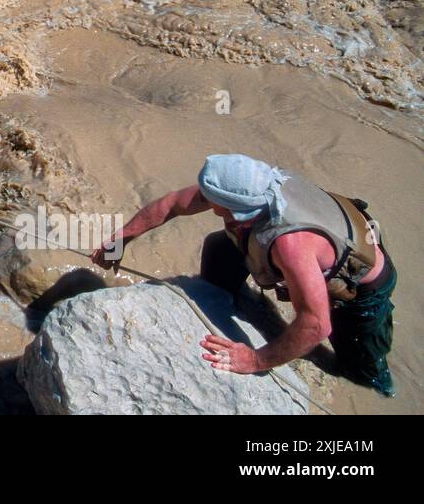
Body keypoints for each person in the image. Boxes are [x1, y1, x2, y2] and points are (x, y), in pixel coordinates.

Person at [91, 154, 395, 397]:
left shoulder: (290, 245)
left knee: (360, 364)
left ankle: (375, 382)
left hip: (361, 286)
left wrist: (256, 360)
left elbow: (316, 324)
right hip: (303, 244)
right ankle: (224, 298)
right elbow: (171, 205)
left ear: (236, 211)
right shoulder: (251, 188)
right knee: (219, 247)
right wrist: (119, 241)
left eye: (210, 199)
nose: (202, 200)